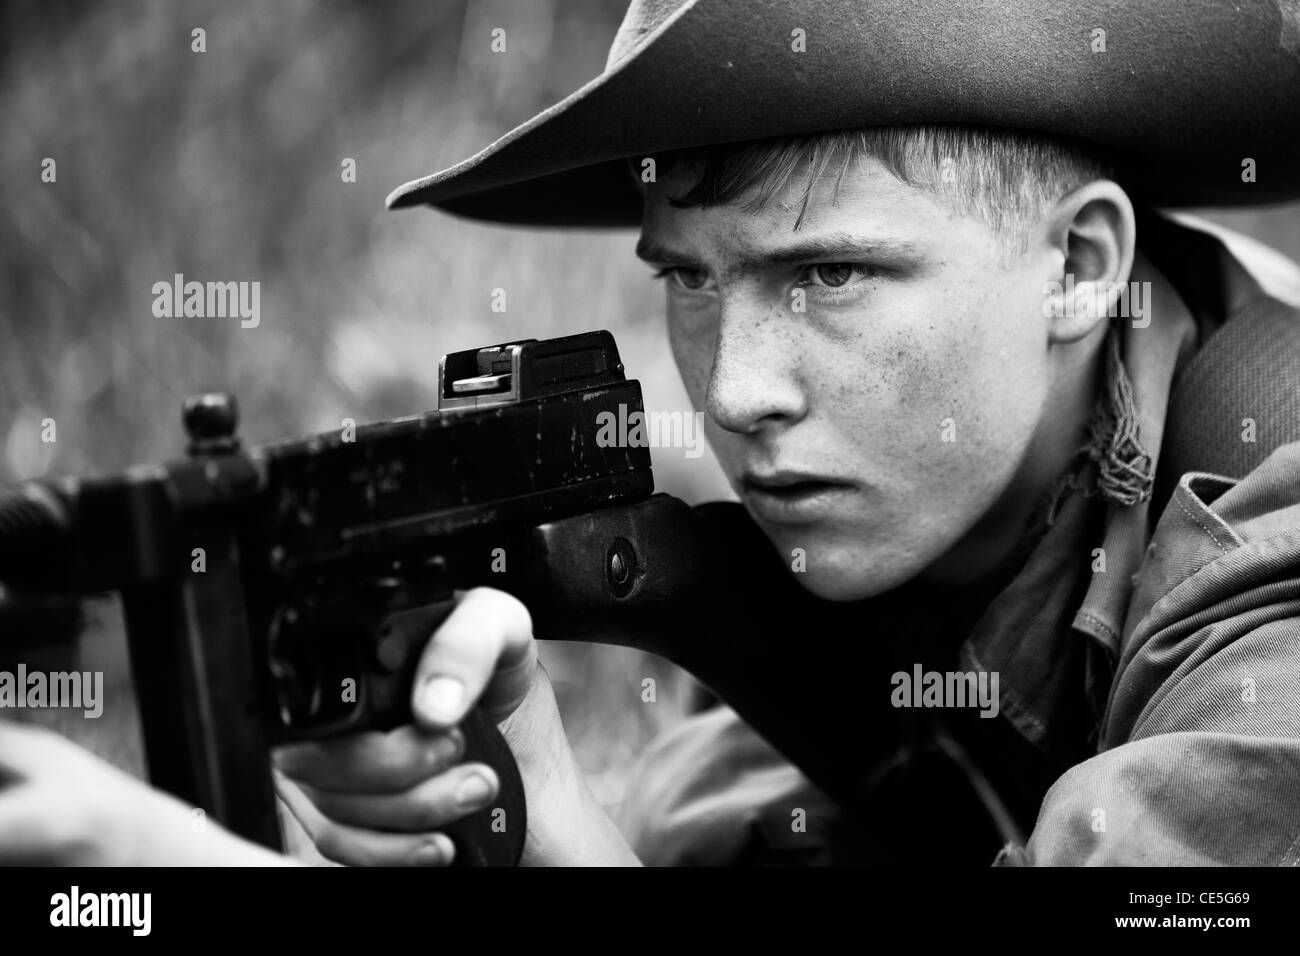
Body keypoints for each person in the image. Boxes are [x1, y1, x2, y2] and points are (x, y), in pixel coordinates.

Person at [5, 0, 1300, 866]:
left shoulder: (1275, 548)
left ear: (1080, 266)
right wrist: (552, 818)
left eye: (830, 276)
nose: (735, 393)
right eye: (689, 280)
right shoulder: (871, 556)